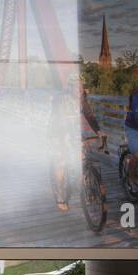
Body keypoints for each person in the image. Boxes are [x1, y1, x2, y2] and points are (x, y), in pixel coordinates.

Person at [49, 73, 102, 212]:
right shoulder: (61, 99)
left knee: (82, 158)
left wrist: (98, 131)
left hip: (72, 131)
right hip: (57, 132)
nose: (80, 89)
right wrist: (68, 139)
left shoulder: (82, 98)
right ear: (70, 86)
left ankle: (86, 188)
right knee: (61, 164)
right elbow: (59, 121)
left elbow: (89, 114)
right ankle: (61, 197)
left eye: (82, 87)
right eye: (77, 87)